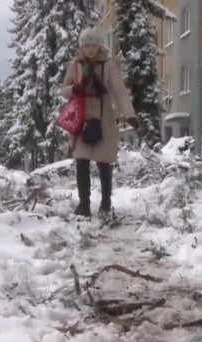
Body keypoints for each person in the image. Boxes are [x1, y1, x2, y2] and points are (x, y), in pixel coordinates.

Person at [61, 26, 138, 218]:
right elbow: (64, 89)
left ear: (99, 46)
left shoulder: (108, 65)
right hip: (82, 120)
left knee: (104, 162)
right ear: (82, 46)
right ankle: (84, 205)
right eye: (87, 45)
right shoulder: (76, 65)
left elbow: (119, 91)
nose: (90, 49)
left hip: (104, 121)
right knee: (81, 161)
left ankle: (105, 203)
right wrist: (74, 90)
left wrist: (129, 115)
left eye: (94, 45)